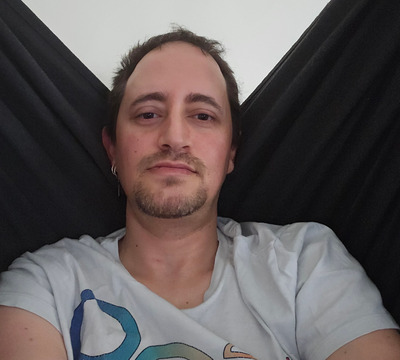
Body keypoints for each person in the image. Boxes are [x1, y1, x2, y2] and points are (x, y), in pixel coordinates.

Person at [0, 27, 399, 360]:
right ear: (113, 149)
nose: (174, 137)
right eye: (148, 114)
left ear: (231, 153)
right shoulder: (46, 284)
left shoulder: (304, 264)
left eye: (203, 115)